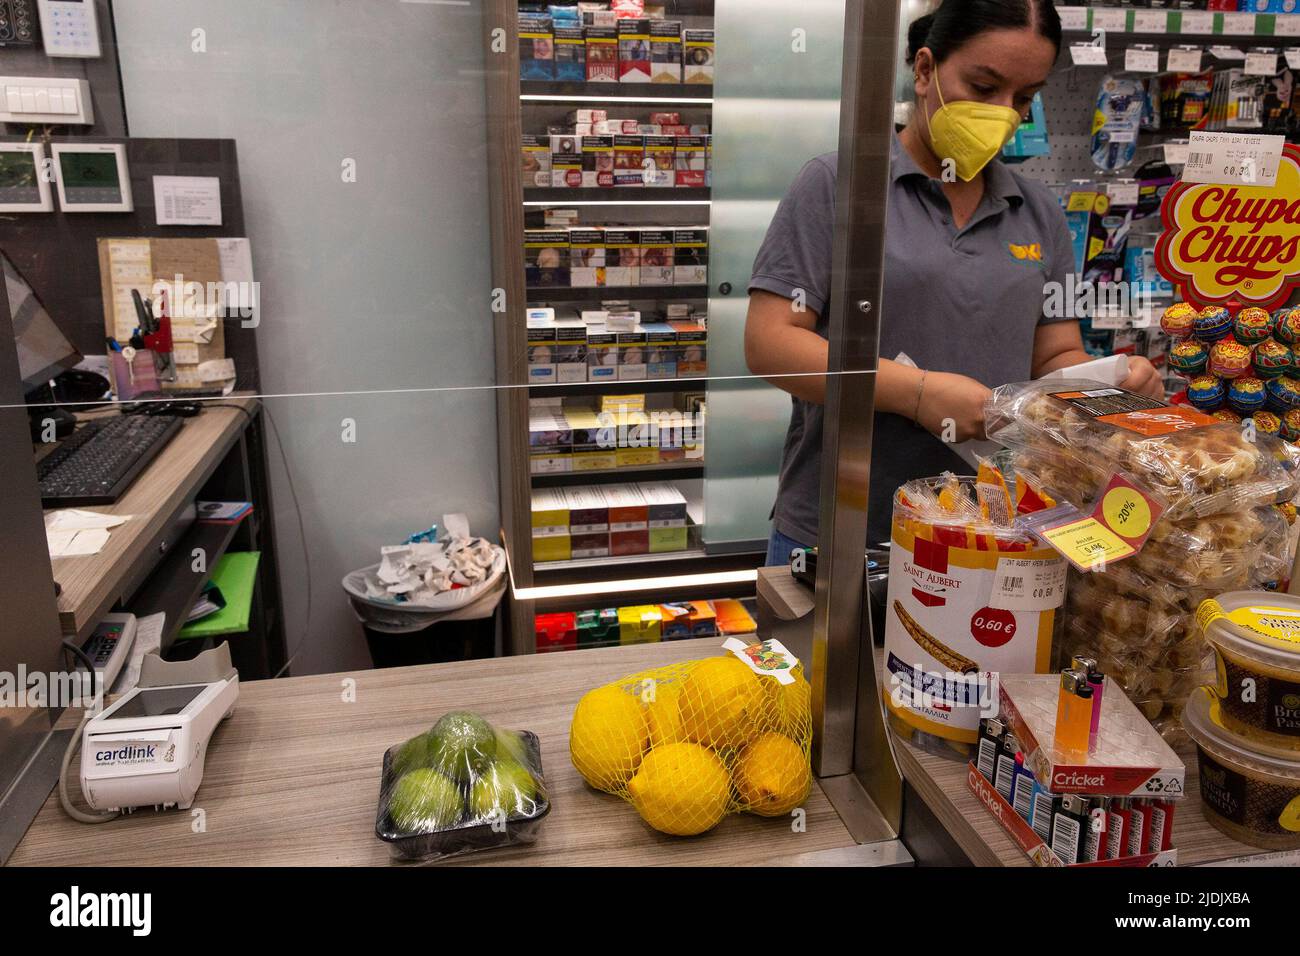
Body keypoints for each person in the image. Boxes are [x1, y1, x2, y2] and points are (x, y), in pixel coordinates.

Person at [745, 0, 1164, 565]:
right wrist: (917, 394)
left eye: (1023, 98)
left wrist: (1109, 385)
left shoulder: (1037, 211)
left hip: (996, 528)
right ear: (924, 71)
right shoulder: (841, 182)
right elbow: (773, 345)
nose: (1003, 113)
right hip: (844, 524)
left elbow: (1053, 356)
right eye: (983, 86)